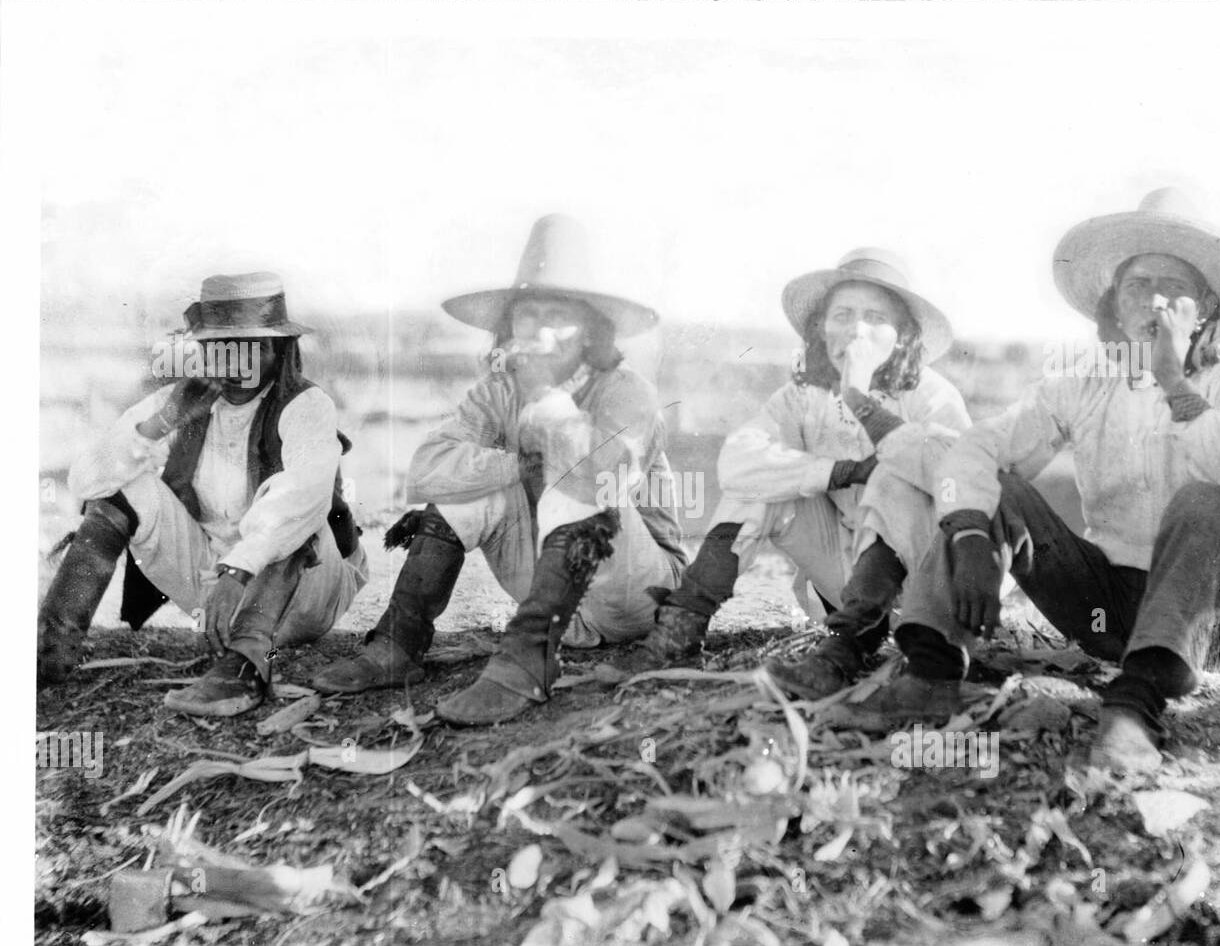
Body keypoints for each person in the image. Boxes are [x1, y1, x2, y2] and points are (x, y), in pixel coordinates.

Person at [854, 189, 1220, 774]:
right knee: (1000, 487)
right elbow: (981, 446)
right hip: (1107, 612)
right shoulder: (1084, 387)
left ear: (1203, 311)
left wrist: (1176, 383)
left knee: (1201, 499)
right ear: (1114, 308)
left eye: (1173, 289)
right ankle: (930, 671)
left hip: (1218, 617)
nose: (1152, 301)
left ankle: (1136, 706)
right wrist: (971, 530)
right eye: (1136, 285)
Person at [312, 214, 687, 725]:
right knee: (473, 480)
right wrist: (514, 464)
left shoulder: (627, 392)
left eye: (559, 315)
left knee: (569, 473)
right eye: (527, 314)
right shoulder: (497, 392)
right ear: (509, 326)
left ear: (590, 331)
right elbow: (428, 468)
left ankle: (524, 665)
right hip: (554, 595)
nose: (540, 331)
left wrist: (542, 402)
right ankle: (400, 643)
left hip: (634, 597)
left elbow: (599, 476)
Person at [618, 248, 971, 699]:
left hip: (923, 593)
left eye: (874, 317)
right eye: (842, 314)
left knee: (893, 473)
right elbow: (738, 462)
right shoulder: (804, 397)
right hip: (845, 587)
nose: (856, 330)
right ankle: (678, 631)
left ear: (901, 333)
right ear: (821, 328)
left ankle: (842, 656)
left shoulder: (932, 397)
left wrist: (865, 409)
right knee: (759, 485)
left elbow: (965, 487)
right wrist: (839, 470)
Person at [38, 272, 368, 716]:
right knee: (120, 494)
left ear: (278, 351)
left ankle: (246, 670)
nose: (234, 366)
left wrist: (237, 572)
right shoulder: (185, 401)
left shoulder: (306, 405)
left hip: (306, 591)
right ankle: (50, 652)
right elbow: (87, 481)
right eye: (221, 350)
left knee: (290, 513)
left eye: (251, 350)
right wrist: (162, 423)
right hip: (214, 597)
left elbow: (304, 497)